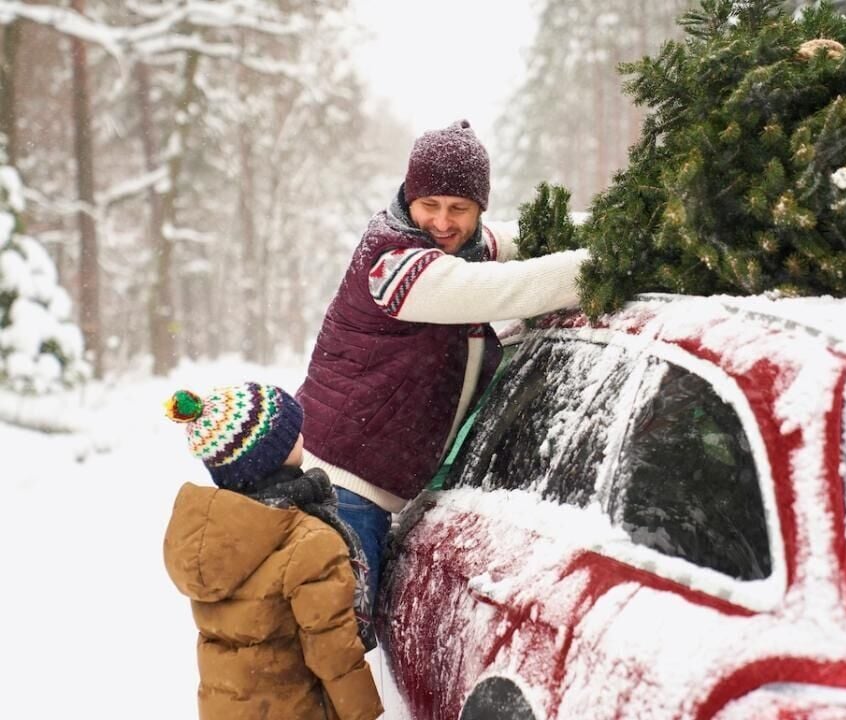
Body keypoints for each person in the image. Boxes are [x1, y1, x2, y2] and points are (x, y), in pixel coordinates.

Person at [296, 119, 588, 605]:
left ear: (479, 209)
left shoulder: (456, 246)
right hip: (341, 492)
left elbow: (528, 236)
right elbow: (508, 289)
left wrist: (621, 219)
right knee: (334, 647)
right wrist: (608, 260)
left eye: (460, 208)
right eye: (429, 205)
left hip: (363, 489)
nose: (444, 222)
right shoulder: (393, 263)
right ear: (408, 199)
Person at [162, 382, 383, 720]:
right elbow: (333, 650)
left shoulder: (219, 534)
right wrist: (363, 712)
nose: (303, 437)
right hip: (298, 707)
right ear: (271, 457)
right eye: (293, 433)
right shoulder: (310, 542)